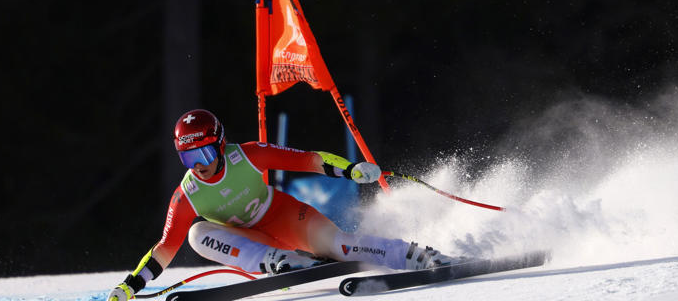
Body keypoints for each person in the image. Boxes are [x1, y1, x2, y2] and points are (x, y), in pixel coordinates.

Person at [107, 109, 455, 301]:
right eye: (188, 158)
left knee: (341, 245)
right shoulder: (188, 193)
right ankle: (280, 262)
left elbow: (309, 160)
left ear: (220, 145)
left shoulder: (249, 155)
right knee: (196, 234)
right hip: (255, 245)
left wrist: (350, 170)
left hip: (287, 218)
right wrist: (130, 286)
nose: (199, 165)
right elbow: (165, 247)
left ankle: (418, 255)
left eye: (204, 154)